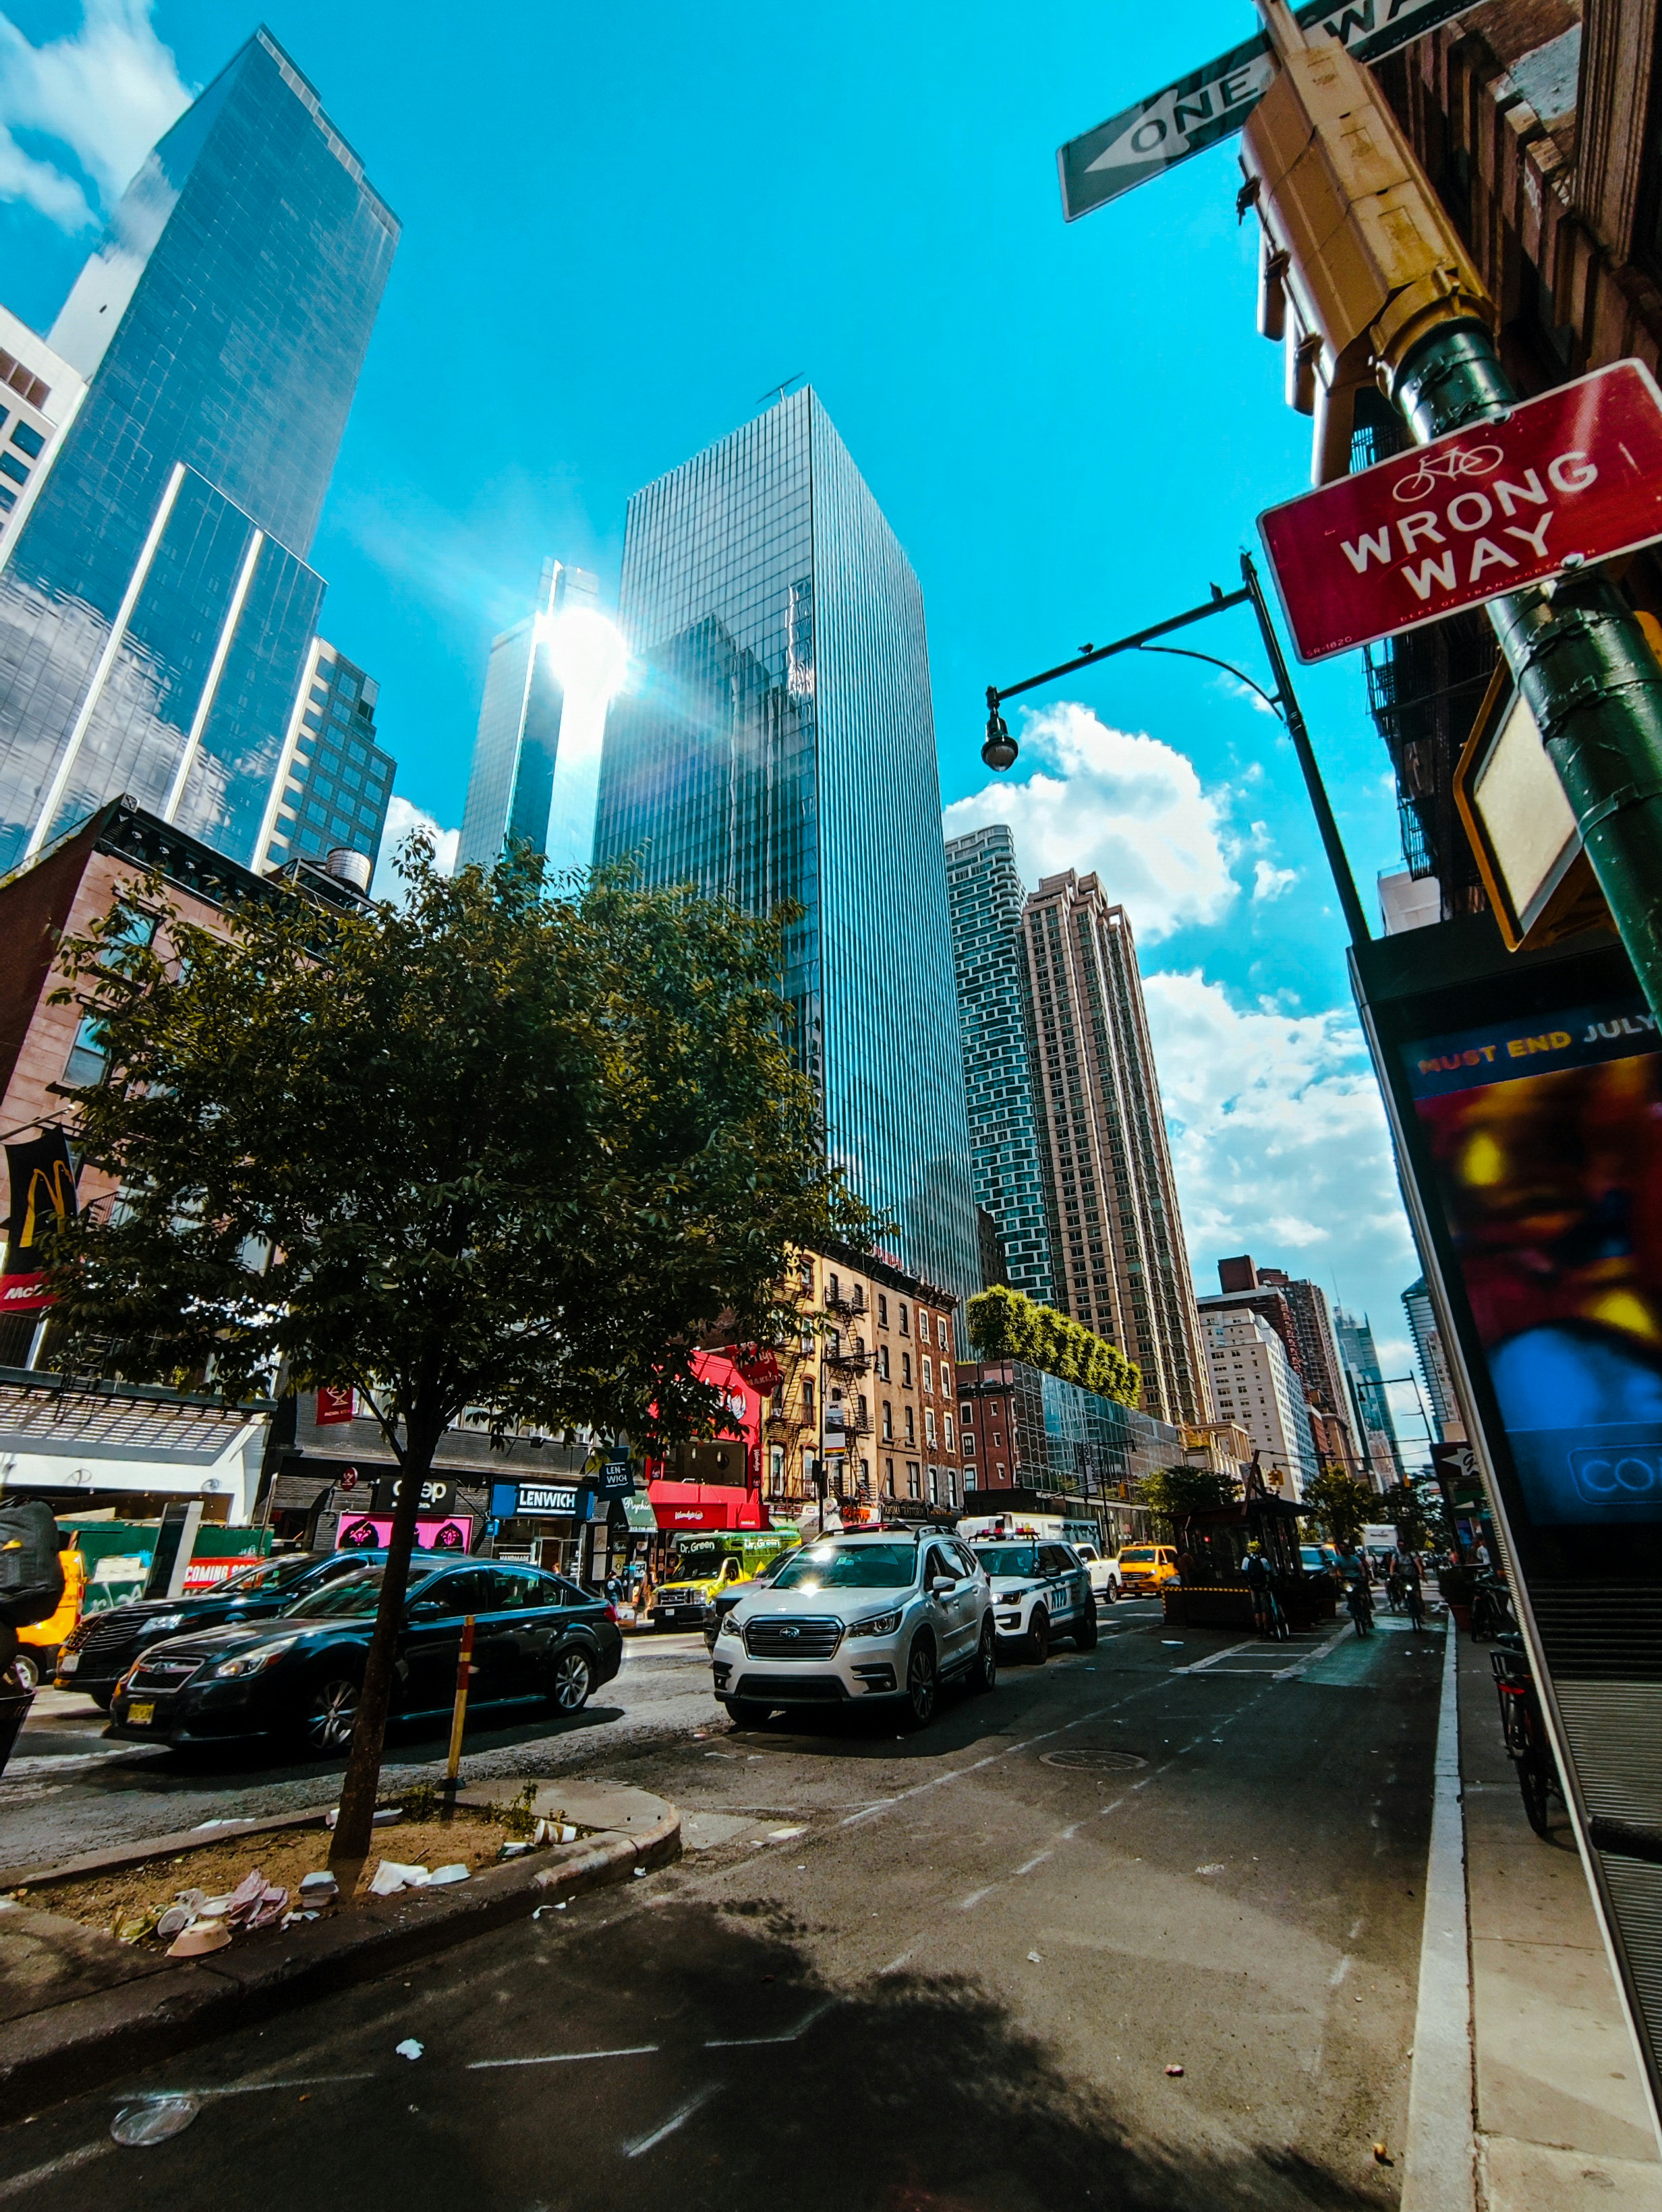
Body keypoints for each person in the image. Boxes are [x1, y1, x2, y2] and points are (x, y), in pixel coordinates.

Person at [1242, 1542, 1273, 1637]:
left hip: (1253, 1587)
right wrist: (1267, 1585)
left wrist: (1250, 1583)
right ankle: (1266, 1629)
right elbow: (1269, 1573)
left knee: (1256, 1609)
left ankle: (1259, 1630)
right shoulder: (1263, 1560)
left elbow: (1244, 1573)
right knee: (1264, 1609)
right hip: (1262, 1587)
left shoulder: (1246, 1560)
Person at [1344, 1565, 1375, 1637]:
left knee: (1363, 1597)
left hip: (1359, 1584)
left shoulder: (1357, 1562)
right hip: (1349, 1583)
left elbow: (1363, 1570)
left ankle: (1366, 1613)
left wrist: (1363, 1577)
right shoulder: (1339, 1561)